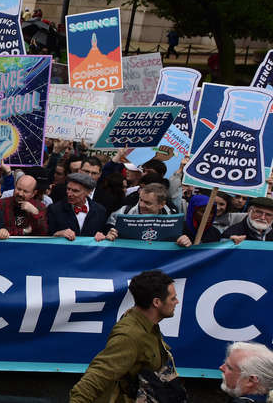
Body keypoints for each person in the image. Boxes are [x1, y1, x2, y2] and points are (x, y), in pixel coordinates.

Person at [70, 270, 183, 403]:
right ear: (156, 302)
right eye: (173, 298)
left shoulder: (148, 326)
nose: (177, 302)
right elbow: (94, 379)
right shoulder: (130, 336)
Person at [108, 183, 192, 246]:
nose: (141, 205)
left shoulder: (174, 218)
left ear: (161, 204)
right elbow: (105, 235)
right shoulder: (123, 212)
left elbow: (180, 240)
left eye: (147, 203)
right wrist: (109, 235)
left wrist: (183, 241)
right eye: (140, 200)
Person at [49, 172, 112, 241]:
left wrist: (104, 235)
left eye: (75, 191)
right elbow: (47, 236)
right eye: (68, 189)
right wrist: (59, 233)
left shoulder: (100, 211)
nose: (69, 194)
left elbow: (104, 233)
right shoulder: (55, 209)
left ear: (88, 192)